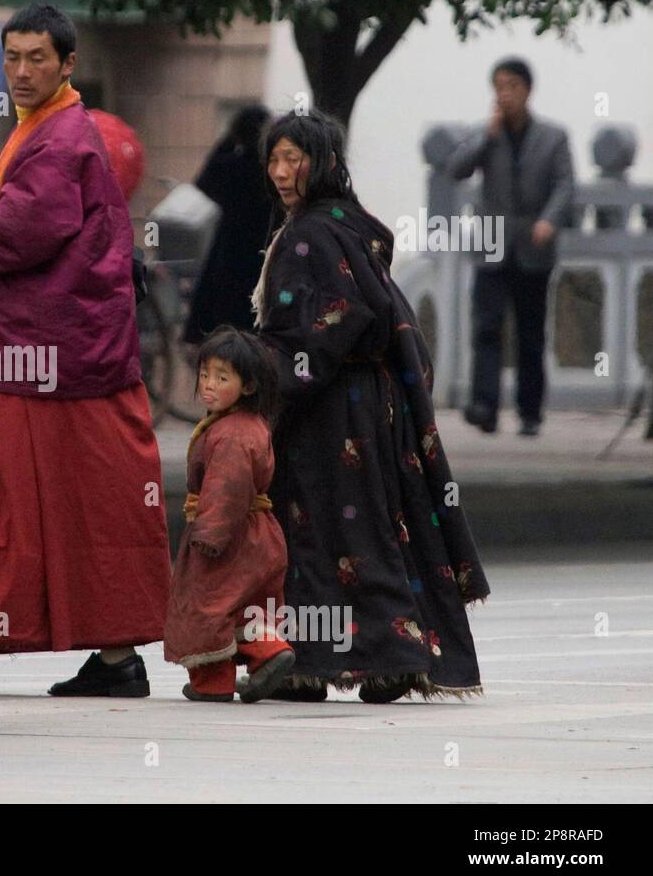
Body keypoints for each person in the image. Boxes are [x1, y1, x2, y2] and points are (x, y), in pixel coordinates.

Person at [0, 3, 171, 697]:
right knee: (77, 502)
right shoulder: (54, 129)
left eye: (37, 59)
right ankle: (99, 658)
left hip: (38, 356)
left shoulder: (59, 138)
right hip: (58, 353)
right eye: (12, 58)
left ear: (68, 65)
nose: (21, 72)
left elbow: (26, 229)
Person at [255, 109, 489, 703]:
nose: (281, 172)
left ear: (323, 163)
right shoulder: (348, 221)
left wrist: (264, 371)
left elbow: (340, 318)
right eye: (274, 159)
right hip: (366, 404)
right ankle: (326, 664)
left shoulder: (309, 231)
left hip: (329, 405)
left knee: (329, 530)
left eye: (294, 159)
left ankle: (385, 658)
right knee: (358, 527)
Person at [446, 57, 574, 437]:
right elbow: (455, 169)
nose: (505, 94)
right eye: (499, 86)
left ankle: (530, 412)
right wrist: (486, 135)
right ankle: (484, 405)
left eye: (512, 86)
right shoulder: (486, 133)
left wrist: (550, 219)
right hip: (491, 244)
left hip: (534, 246)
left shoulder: (554, 136)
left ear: (527, 89)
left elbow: (566, 184)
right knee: (486, 327)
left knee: (530, 333)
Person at [164, 328, 293, 703]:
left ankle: (219, 678)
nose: (208, 385)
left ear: (248, 386)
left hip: (230, 536)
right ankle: (264, 652)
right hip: (257, 535)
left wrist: (209, 535)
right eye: (205, 375)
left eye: (221, 378)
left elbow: (227, 489)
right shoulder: (244, 426)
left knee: (207, 605)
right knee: (242, 605)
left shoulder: (232, 436)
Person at [184, 105, 273, 339]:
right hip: (266, 246)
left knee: (227, 314)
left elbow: (203, 182)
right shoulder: (271, 168)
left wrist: (228, 140)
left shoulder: (232, 164)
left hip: (231, 247)